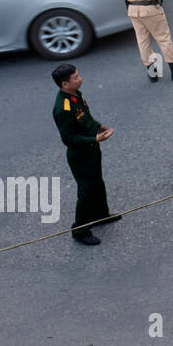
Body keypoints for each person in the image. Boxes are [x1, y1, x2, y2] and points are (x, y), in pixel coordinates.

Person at [51, 64, 118, 246]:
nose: (80, 79)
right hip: (81, 154)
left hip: (92, 148)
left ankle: (100, 215)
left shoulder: (76, 94)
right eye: (75, 77)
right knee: (86, 191)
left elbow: (85, 117)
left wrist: (98, 126)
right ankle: (80, 230)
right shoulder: (62, 108)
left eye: (78, 75)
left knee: (98, 183)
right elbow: (69, 138)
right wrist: (94, 139)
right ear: (65, 84)